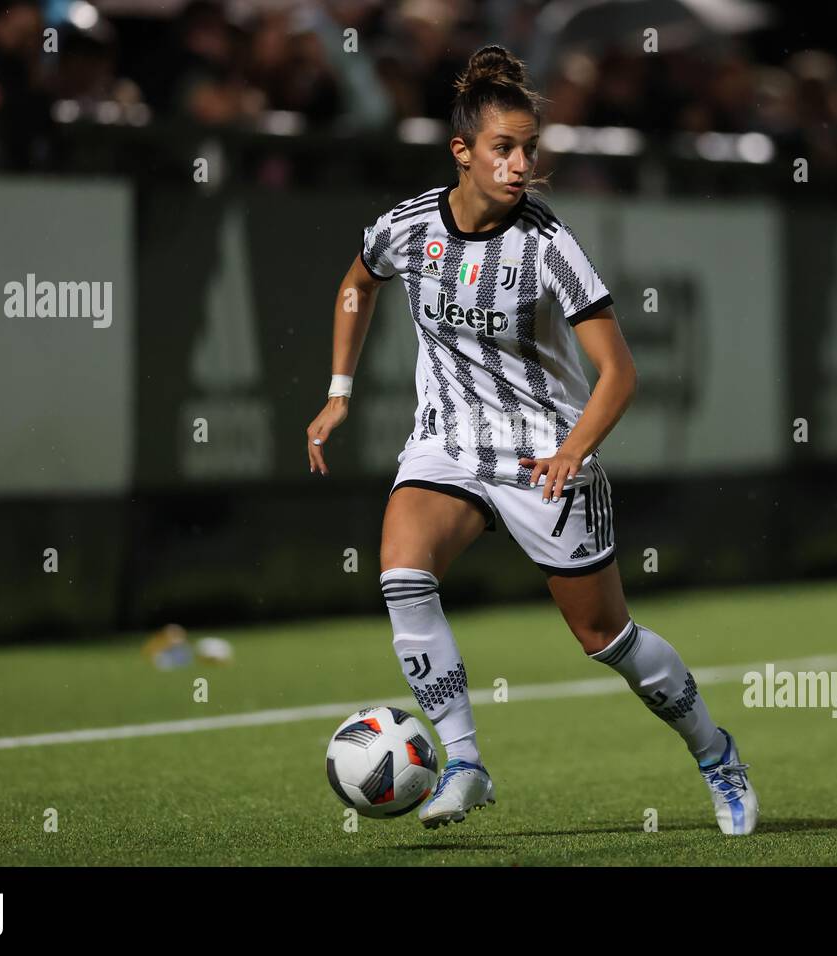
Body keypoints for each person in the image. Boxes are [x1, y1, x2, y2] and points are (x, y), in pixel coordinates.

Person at [306, 44, 758, 835]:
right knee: (402, 574)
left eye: (529, 150)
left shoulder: (549, 245)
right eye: (503, 149)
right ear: (463, 153)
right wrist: (339, 393)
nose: (520, 166)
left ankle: (718, 755)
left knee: (605, 638)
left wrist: (573, 450)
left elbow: (618, 373)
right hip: (447, 443)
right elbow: (357, 284)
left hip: (543, 456)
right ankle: (466, 763)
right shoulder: (410, 227)